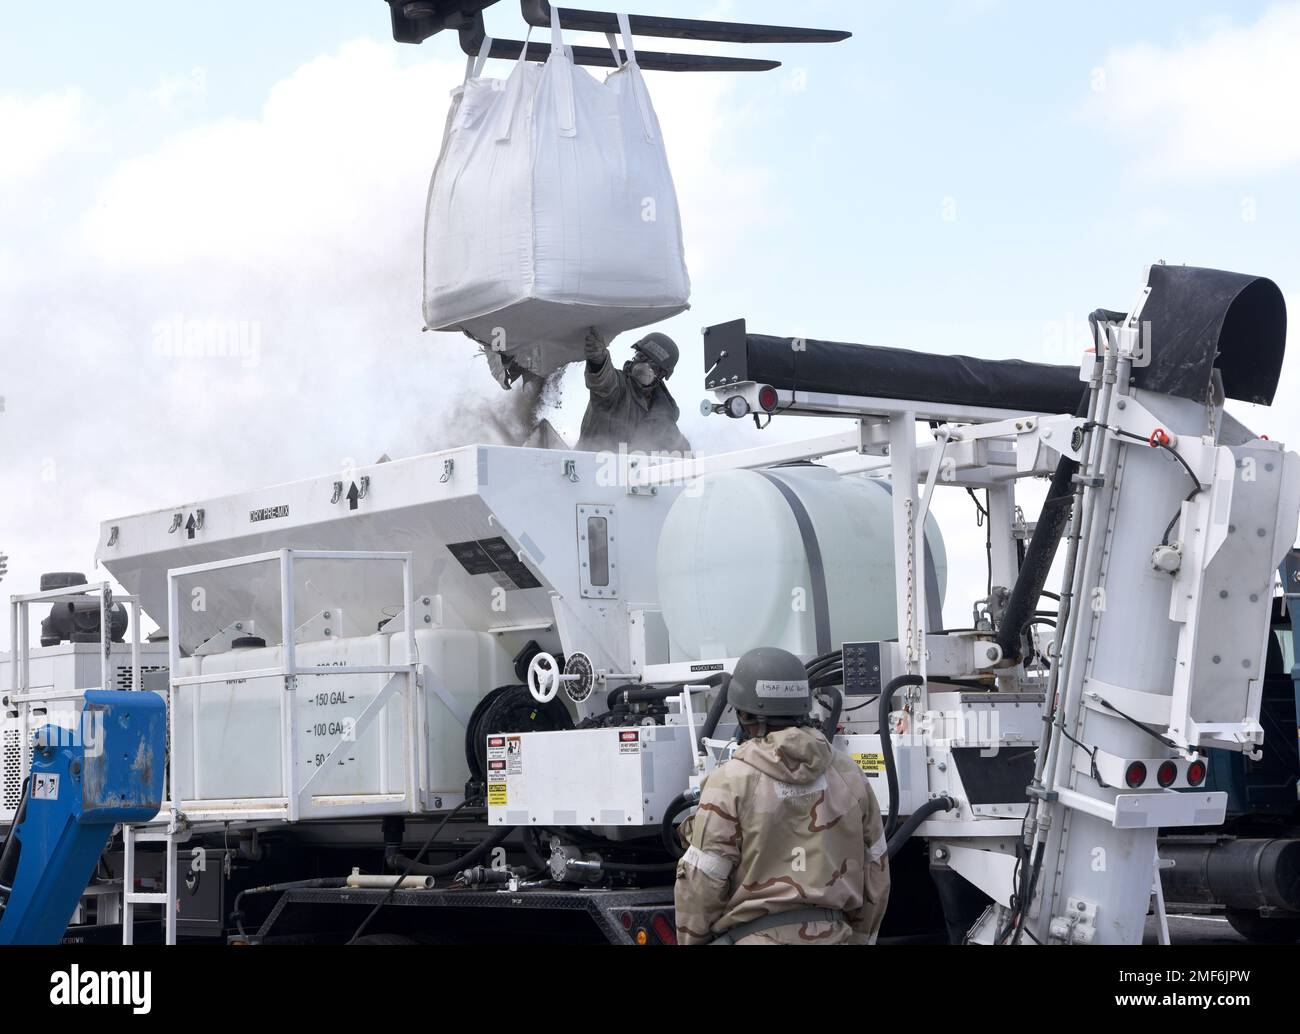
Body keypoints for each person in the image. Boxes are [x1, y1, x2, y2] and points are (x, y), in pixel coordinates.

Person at [673, 647, 890, 944]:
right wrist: (857, 938)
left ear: (744, 714)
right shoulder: (849, 775)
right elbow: (876, 874)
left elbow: (701, 885)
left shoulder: (730, 783)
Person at [574, 328, 691, 455]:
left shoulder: (663, 416)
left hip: (631, 472)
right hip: (585, 467)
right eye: (641, 357)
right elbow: (603, 381)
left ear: (662, 374)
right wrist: (598, 361)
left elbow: (683, 454)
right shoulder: (619, 388)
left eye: (653, 365)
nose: (644, 366)